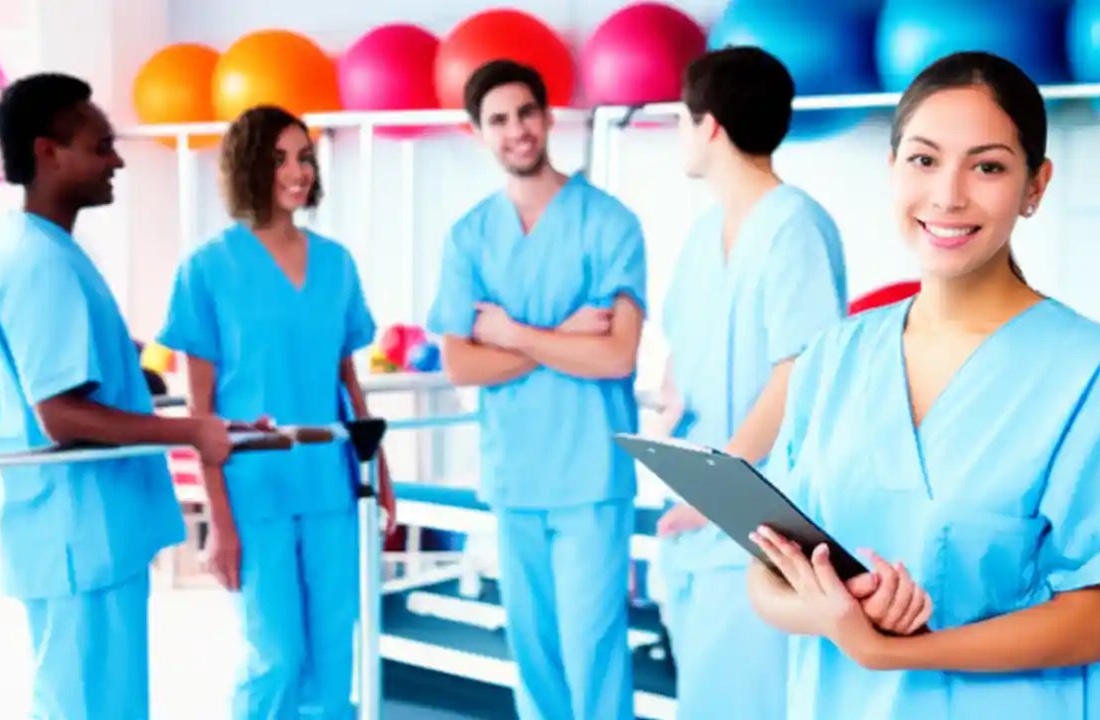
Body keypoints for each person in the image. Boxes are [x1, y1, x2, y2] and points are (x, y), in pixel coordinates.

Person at [747, 51, 1100, 719]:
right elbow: (769, 573)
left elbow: (1091, 622)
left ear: (1035, 186)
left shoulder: (1094, 372)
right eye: (923, 159)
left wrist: (891, 650)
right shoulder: (834, 356)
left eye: (988, 166)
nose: (948, 195)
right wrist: (838, 609)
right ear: (891, 171)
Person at [0, 72, 236, 719]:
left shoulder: (43, 248)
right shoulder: (39, 261)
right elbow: (61, 413)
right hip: (77, 538)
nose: (116, 159)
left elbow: (66, 379)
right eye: (101, 145)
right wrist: (194, 432)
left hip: (84, 535)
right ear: (47, 152)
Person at [157, 104, 397, 719]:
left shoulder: (337, 263)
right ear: (247, 167)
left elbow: (348, 382)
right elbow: (200, 409)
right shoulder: (206, 269)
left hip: (331, 485)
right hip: (252, 491)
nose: (298, 171)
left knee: (330, 663)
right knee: (275, 659)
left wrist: (382, 472)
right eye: (280, 158)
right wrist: (217, 520)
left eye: (305, 156)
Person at [427, 59, 647, 720]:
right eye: (498, 120)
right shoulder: (469, 237)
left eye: (526, 113)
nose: (516, 130)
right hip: (514, 475)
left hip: (590, 477)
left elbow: (616, 355)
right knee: (535, 654)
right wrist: (559, 336)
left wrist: (513, 333)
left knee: (593, 649)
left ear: (549, 117)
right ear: (477, 133)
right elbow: (460, 366)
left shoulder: (610, 223)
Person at [651, 46, 851, 720]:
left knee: (749, 699)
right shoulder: (706, 232)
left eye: (682, 117)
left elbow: (801, 370)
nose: (680, 131)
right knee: (705, 695)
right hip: (702, 507)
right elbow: (685, 349)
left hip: (757, 511)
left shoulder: (794, 225)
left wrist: (719, 483)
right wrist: (669, 406)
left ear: (709, 126)